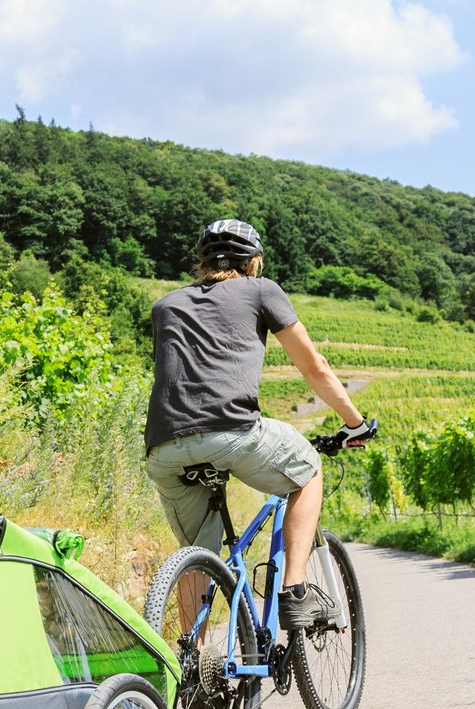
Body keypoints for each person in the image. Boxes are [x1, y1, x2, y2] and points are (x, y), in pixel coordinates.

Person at [145, 219, 377, 632]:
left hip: (163, 448)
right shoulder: (261, 290)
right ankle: (295, 593)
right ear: (253, 263)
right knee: (307, 470)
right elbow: (315, 368)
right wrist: (354, 423)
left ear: (202, 264)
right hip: (231, 431)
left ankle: (193, 664)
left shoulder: (165, 305)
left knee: (197, 552)